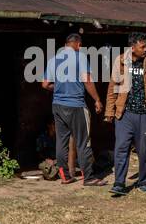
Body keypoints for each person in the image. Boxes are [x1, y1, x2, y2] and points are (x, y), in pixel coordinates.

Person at [105, 33, 146, 197]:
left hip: (145, 114)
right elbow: (113, 87)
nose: (145, 49)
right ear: (132, 47)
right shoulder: (120, 61)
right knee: (121, 148)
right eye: (142, 47)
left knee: (143, 150)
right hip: (124, 114)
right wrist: (109, 112)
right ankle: (119, 183)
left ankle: (143, 181)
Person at [41, 32, 106, 186]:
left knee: (61, 142)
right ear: (79, 45)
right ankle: (89, 177)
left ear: (65, 45)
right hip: (76, 106)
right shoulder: (80, 57)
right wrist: (97, 99)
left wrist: (60, 88)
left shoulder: (53, 60)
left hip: (57, 105)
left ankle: (65, 177)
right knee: (84, 141)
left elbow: (44, 84)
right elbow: (88, 81)